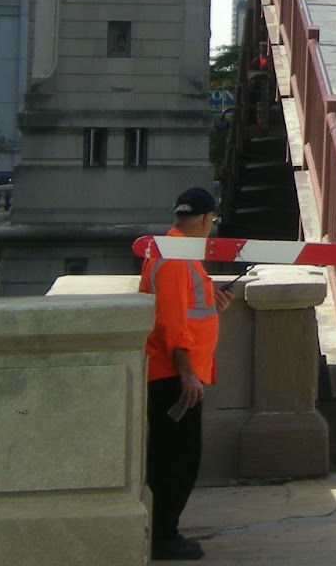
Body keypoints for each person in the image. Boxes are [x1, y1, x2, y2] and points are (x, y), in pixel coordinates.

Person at [141, 187, 232, 561]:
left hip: (171, 374)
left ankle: (162, 531)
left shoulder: (171, 250)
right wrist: (187, 375)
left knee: (170, 455)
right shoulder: (177, 257)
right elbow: (172, 321)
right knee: (177, 460)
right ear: (207, 219)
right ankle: (164, 536)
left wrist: (213, 300)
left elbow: (186, 306)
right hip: (175, 378)